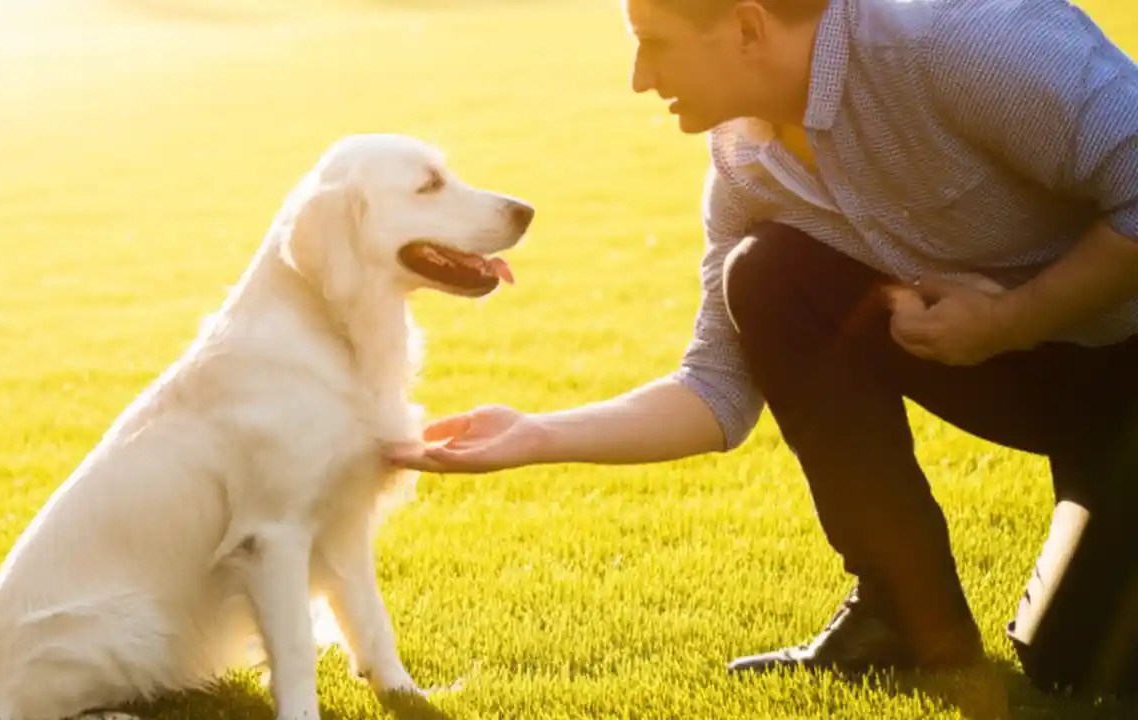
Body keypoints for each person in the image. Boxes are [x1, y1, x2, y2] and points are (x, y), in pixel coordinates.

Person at [390, 0, 1138, 695]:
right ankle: (898, 618)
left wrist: (1014, 319)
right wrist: (533, 434)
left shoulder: (960, 41)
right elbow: (715, 390)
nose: (639, 79)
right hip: (1054, 384)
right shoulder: (746, 165)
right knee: (770, 274)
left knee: (1084, 667)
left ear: (748, 27)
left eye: (654, 46)